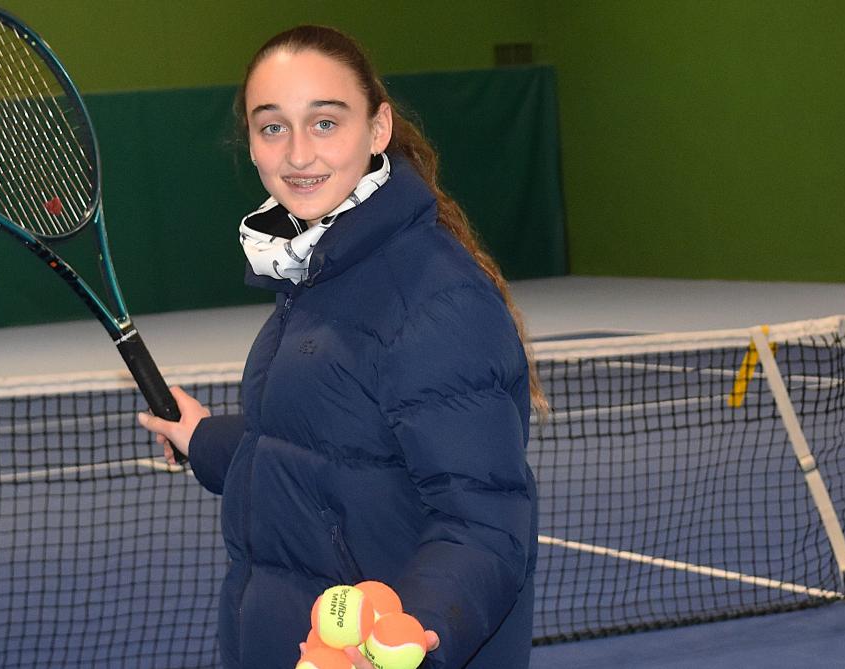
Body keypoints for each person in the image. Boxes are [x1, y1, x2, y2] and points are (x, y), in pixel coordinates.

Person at [138, 24, 544, 669]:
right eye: (272, 127)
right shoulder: (321, 273)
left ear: (378, 129)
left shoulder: (434, 301)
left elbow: (484, 523)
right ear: (249, 141)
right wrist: (208, 438)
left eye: (325, 122)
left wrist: (402, 637)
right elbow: (321, 446)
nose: (298, 154)